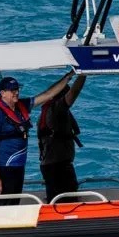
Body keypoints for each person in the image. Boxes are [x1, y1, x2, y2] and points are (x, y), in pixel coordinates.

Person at [0, 73, 74, 195]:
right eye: (12, 90)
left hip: (19, 165)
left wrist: (68, 77)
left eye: (17, 89)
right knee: (4, 205)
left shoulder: (22, 106)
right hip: (4, 167)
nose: (16, 92)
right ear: (2, 93)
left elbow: (48, 94)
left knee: (15, 202)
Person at [37, 72, 86, 202]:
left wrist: (69, 76)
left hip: (51, 165)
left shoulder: (47, 110)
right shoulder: (57, 109)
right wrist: (83, 74)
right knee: (66, 202)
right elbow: (74, 93)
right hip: (58, 167)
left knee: (57, 200)